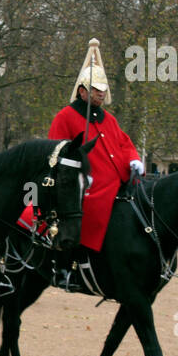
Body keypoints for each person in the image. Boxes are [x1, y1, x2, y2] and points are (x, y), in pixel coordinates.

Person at [48, 38, 143, 289]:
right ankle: (71, 267)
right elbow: (56, 149)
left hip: (119, 180)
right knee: (90, 207)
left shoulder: (109, 119)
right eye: (96, 90)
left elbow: (124, 144)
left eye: (103, 91)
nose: (101, 94)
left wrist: (134, 160)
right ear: (82, 91)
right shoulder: (66, 116)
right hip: (86, 183)